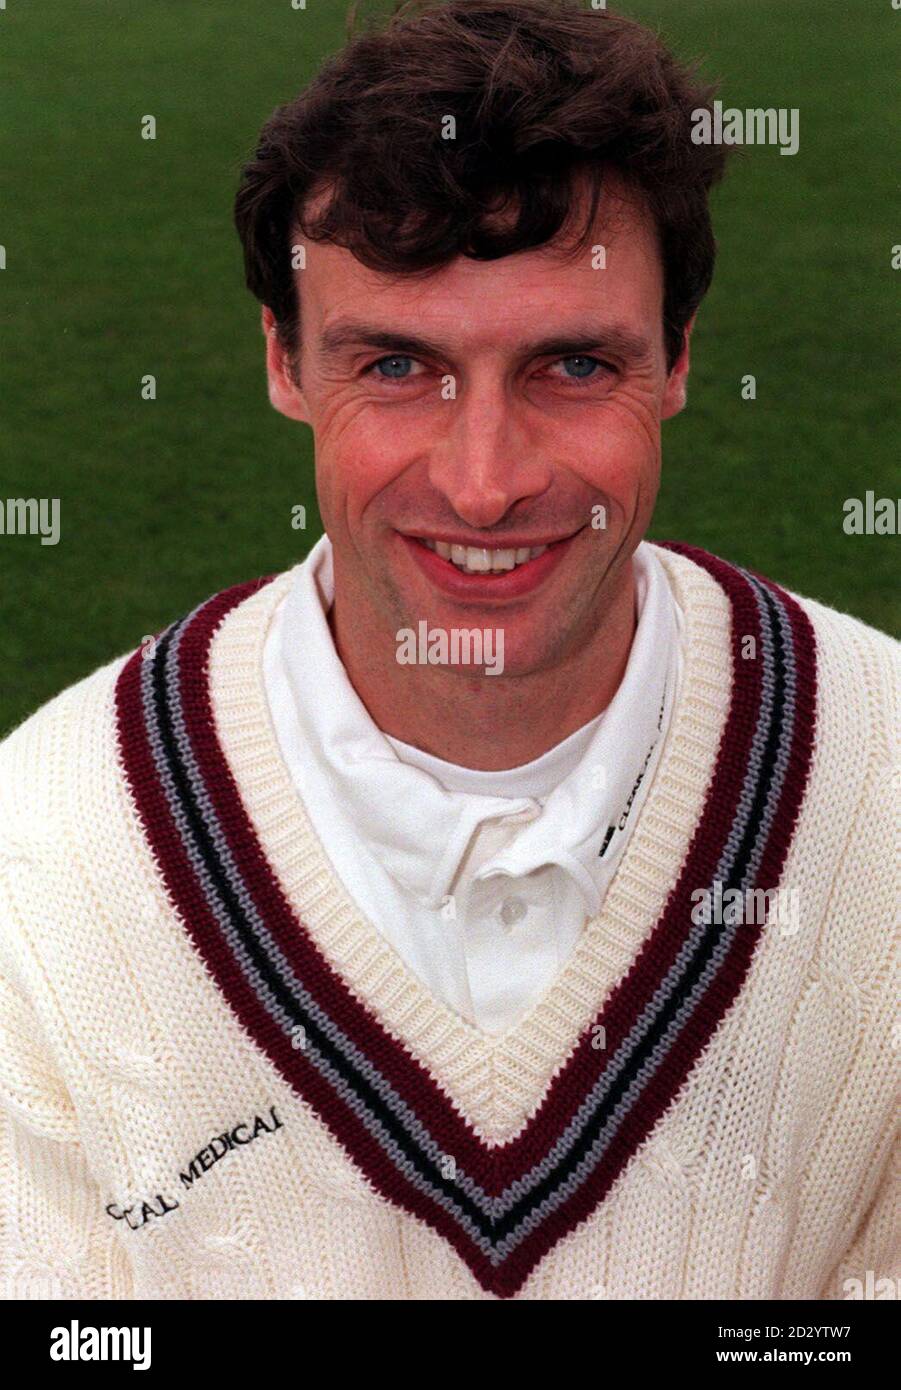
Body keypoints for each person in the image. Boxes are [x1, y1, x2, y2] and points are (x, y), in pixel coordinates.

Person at [0, 0, 896, 1301]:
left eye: (573, 365)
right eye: (399, 365)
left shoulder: (879, 782)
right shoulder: (47, 853)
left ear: (680, 362)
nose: (484, 484)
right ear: (284, 363)